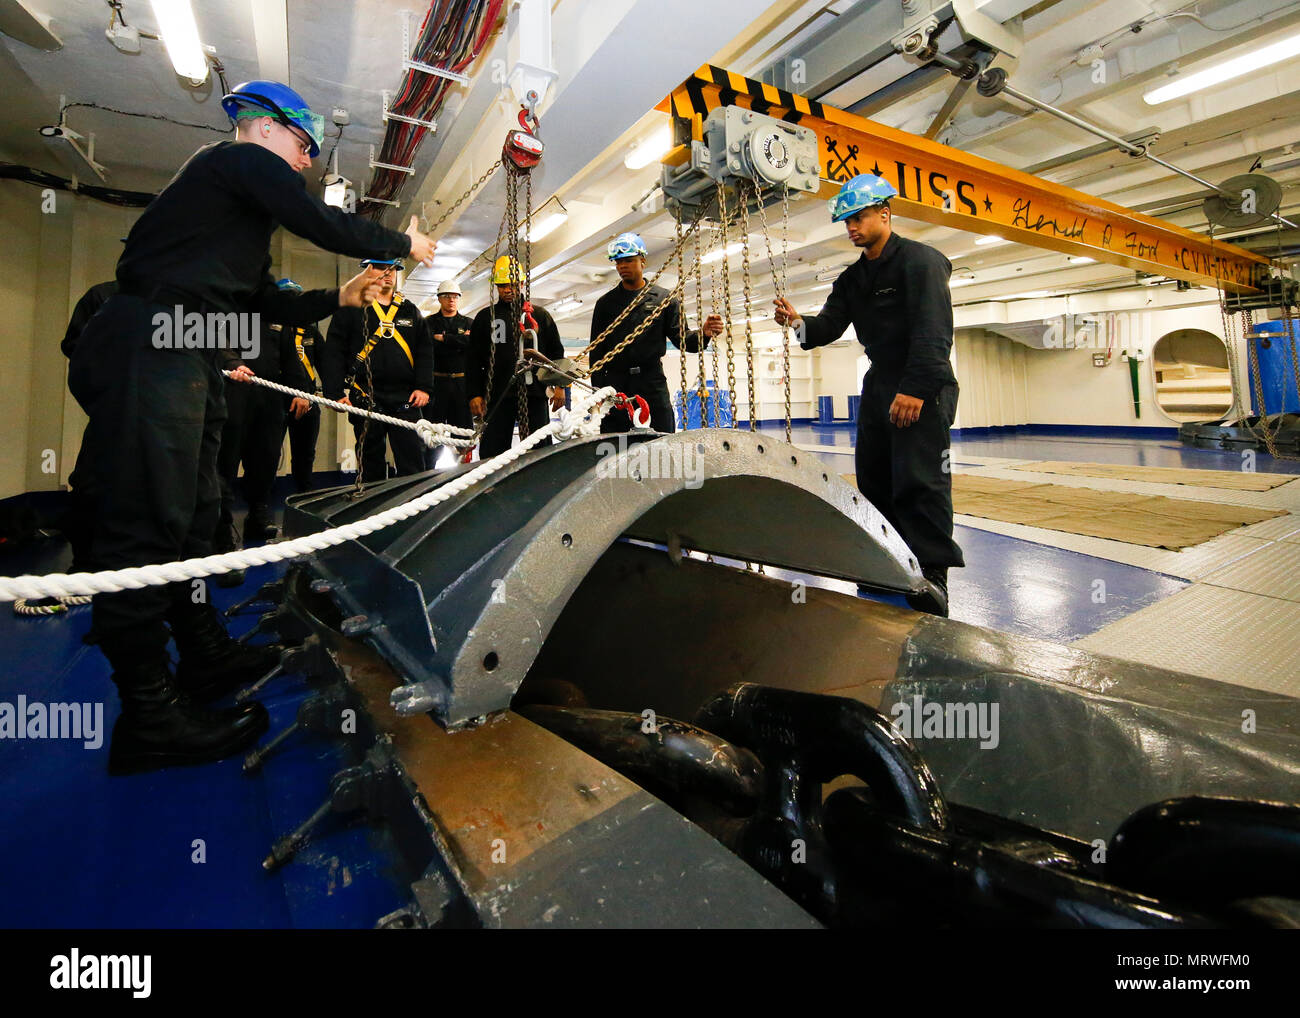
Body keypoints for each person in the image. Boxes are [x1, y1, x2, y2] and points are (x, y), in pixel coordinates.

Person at [67, 78, 437, 774]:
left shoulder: (229, 219)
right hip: (157, 341)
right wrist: (398, 244)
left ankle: (203, 655)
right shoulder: (234, 161)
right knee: (148, 524)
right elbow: (316, 219)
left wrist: (340, 296)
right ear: (269, 128)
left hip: (188, 342)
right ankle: (147, 715)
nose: (303, 163)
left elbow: (262, 300)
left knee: (197, 515)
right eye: (305, 149)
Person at [773, 173, 962, 617]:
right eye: (846, 222)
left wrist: (915, 389)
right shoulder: (853, 279)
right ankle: (888, 560)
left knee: (920, 481)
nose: (852, 227)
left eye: (858, 217)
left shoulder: (922, 262)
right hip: (879, 383)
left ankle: (934, 576)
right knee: (875, 478)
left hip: (921, 380)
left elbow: (934, 333)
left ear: (885, 213)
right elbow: (826, 328)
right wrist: (797, 322)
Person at [588, 232, 722, 433]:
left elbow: (683, 340)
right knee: (615, 444)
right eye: (618, 262)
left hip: (652, 383)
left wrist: (705, 334)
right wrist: (597, 395)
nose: (622, 266)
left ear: (642, 261)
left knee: (662, 439)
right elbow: (596, 352)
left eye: (628, 260)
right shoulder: (606, 304)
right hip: (616, 386)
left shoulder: (663, 299)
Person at [322, 258, 433, 482]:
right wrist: (334, 394)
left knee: (412, 461)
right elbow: (333, 352)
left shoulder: (410, 311)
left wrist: (423, 387)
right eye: (382, 268)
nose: (388, 273)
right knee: (370, 462)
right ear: (369, 270)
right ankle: (372, 510)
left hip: (406, 398)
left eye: (392, 269)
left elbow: (425, 351)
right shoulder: (351, 308)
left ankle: (412, 510)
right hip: (365, 395)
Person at [467, 256, 567, 457]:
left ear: (521, 283)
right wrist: (474, 394)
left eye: (511, 284)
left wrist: (560, 386)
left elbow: (556, 353)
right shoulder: (486, 317)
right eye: (502, 285)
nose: (507, 290)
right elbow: (473, 359)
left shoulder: (539, 316)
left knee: (539, 450)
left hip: (534, 393)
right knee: (493, 452)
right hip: (498, 394)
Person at [276, 280, 326, 493]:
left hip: (308, 402)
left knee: (305, 456)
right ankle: (260, 511)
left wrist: (338, 393)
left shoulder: (311, 333)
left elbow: (325, 364)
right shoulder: (270, 330)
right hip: (276, 401)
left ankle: (304, 502)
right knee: (267, 454)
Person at [425, 279, 474, 463]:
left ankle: (463, 475)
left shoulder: (469, 323)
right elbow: (428, 347)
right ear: (439, 299)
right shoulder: (428, 323)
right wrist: (459, 339)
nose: (451, 300)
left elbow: (471, 344)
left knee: (462, 436)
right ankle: (428, 474)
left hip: (461, 385)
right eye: (447, 296)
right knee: (432, 435)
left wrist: (444, 339)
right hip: (437, 384)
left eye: (454, 296)